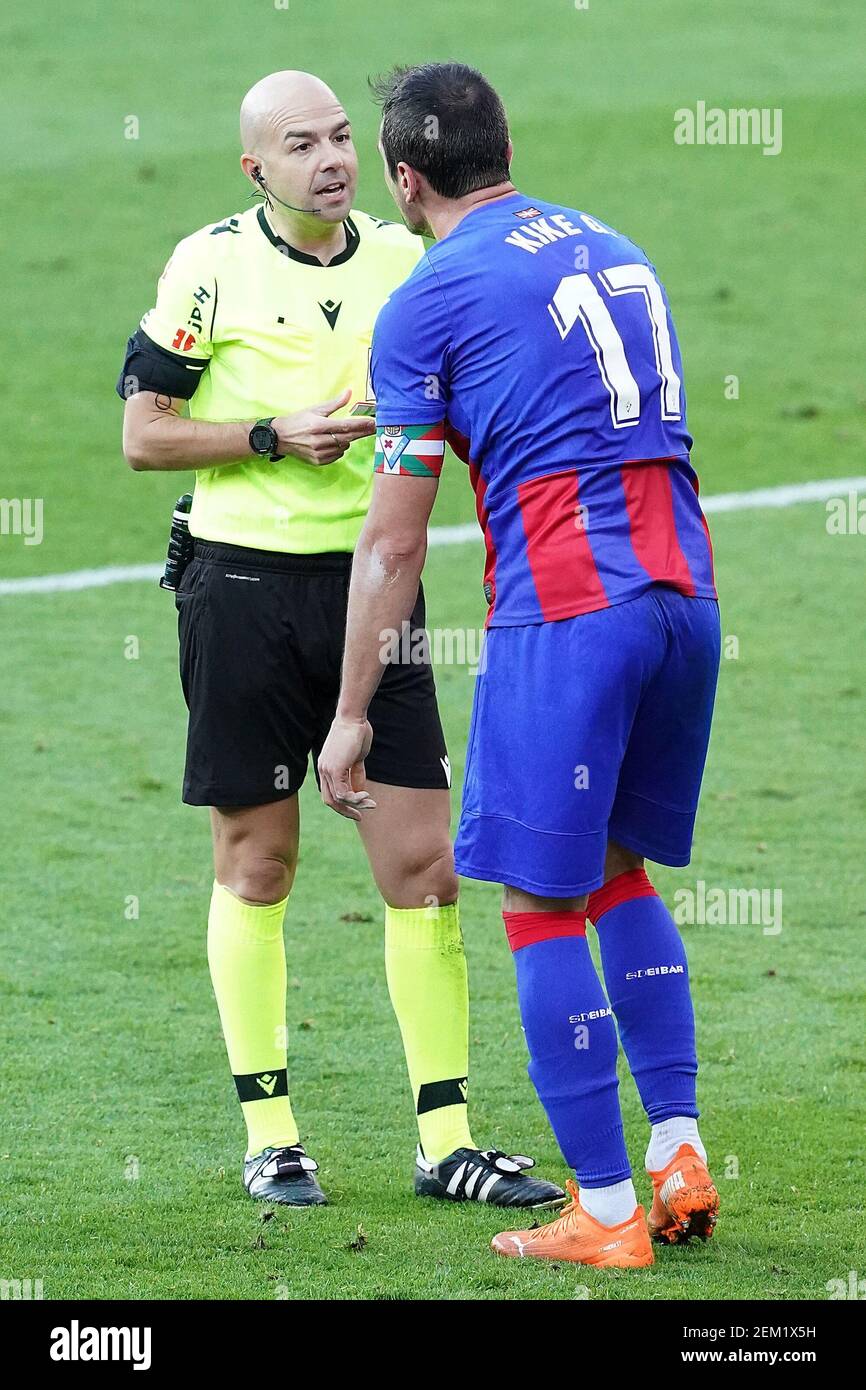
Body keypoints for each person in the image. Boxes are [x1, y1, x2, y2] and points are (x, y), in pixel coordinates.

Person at [116, 69, 564, 1212]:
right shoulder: (205, 264)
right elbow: (144, 436)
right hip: (241, 591)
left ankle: (445, 1139)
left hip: (375, 597)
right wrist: (270, 434)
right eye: (300, 144)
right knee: (257, 860)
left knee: (423, 868)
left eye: (340, 139)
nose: (330, 159)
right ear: (253, 167)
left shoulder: (404, 261)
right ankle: (271, 1135)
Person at [319, 61, 721, 1267]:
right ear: (502, 147)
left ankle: (601, 1209)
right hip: (685, 599)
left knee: (539, 904)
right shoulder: (613, 243)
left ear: (402, 176)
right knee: (616, 870)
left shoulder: (425, 299)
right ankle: (674, 1148)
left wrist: (349, 713)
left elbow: (393, 539)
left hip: (566, 614)